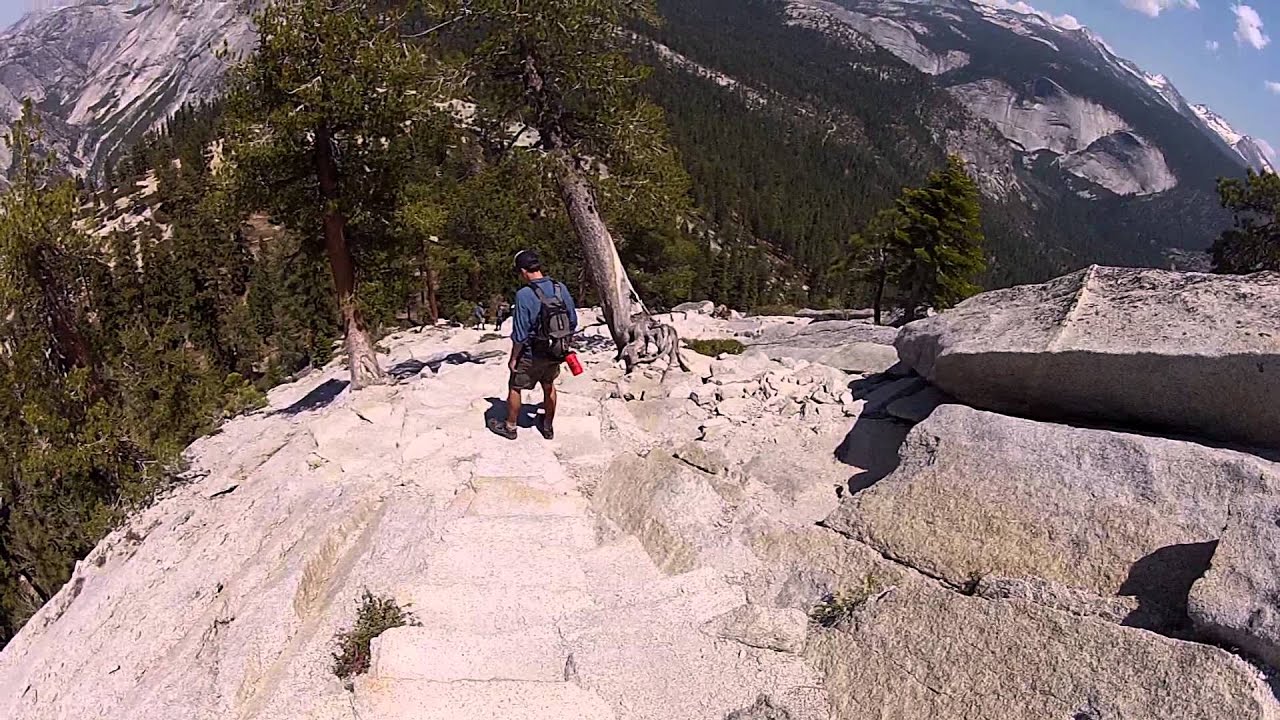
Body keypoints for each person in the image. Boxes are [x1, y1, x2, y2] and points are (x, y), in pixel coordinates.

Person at [488, 250, 578, 441]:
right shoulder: (560, 288)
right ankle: (547, 426)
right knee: (548, 385)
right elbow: (573, 320)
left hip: (532, 352)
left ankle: (510, 427)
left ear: (523, 271)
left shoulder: (524, 295)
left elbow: (519, 334)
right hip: (555, 351)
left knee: (515, 387)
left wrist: (513, 359)